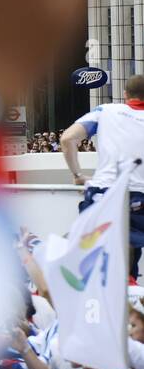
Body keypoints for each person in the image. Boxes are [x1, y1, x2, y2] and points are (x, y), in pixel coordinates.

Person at [60, 74, 144, 274]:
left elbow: (67, 139)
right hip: (139, 197)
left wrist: (77, 174)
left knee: (94, 247)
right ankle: (128, 289)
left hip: (103, 192)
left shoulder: (105, 111)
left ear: (125, 94)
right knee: (130, 248)